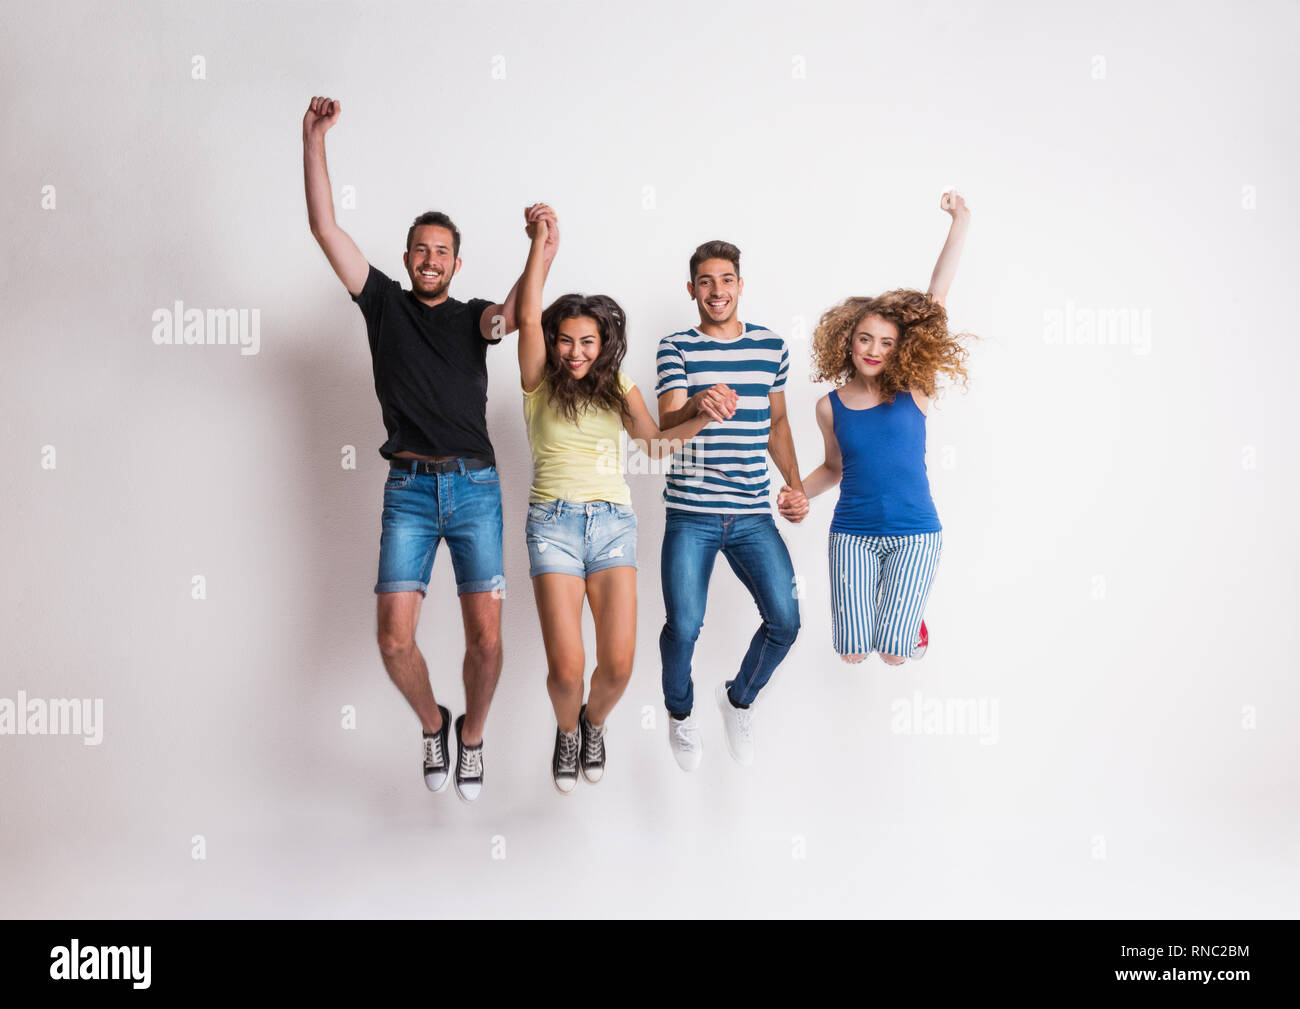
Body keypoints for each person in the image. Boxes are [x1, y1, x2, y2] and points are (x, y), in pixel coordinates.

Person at [302, 96, 558, 800]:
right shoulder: (381, 302)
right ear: (408, 255)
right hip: (409, 492)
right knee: (392, 639)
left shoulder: (477, 319)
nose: (431, 259)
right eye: (421, 249)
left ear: (456, 261)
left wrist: (538, 248)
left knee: (488, 641)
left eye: (443, 251)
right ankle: (433, 722)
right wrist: (313, 138)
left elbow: (517, 311)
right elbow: (326, 227)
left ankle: (472, 736)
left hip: (475, 489)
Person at [515, 205, 728, 793]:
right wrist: (541, 245)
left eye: (587, 342)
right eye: (566, 341)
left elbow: (655, 448)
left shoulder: (620, 387)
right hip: (552, 524)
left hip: (613, 525)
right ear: (553, 345)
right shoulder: (537, 382)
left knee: (619, 667)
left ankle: (594, 723)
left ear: (603, 344)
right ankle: (566, 731)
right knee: (566, 669)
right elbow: (528, 317)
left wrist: (700, 420)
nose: (576, 352)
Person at [800, 191, 973, 665]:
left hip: (915, 534)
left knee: (894, 655)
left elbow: (936, 302)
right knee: (853, 653)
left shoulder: (915, 388)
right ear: (848, 342)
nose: (874, 350)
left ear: (901, 349)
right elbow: (833, 468)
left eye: (886, 342)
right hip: (852, 534)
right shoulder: (828, 406)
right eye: (864, 339)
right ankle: (890, 608)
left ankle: (908, 623)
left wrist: (960, 221)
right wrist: (797, 491)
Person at [654, 241, 809, 771]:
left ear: (741, 285)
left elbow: (780, 422)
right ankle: (680, 711)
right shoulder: (675, 347)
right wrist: (699, 403)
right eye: (705, 281)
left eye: (725, 280)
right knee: (685, 625)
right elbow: (665, 428)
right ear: (692, 289)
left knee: (785, 621)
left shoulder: (771, 347)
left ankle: (738, 698)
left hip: (752, 515)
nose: (716, 291)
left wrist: (795, 485)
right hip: (691, 513)